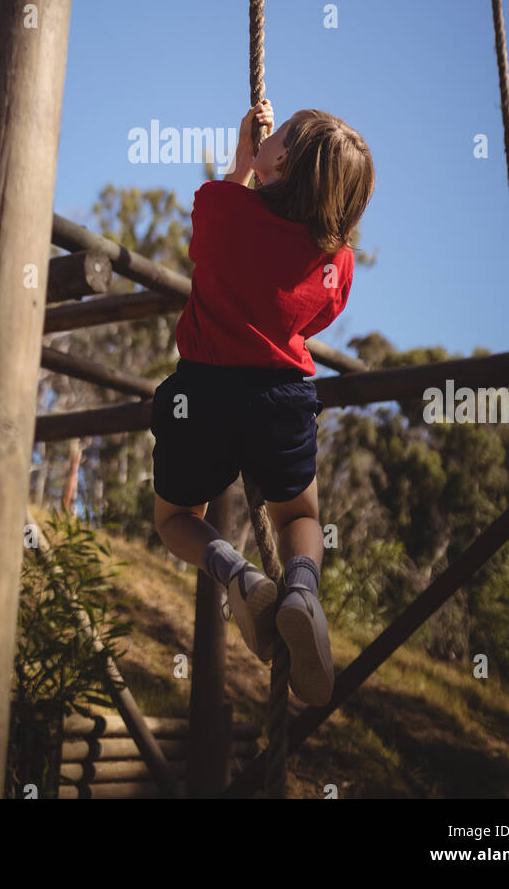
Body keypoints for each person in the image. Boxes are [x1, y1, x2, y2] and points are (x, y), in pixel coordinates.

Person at [151, 99, 375, 704]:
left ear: (282, 163)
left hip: (201, 393)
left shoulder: (221, 207)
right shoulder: (339, 263)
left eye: (286, 137)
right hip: (282, 397)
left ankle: (237, 573)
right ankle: (301, 590)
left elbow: (220, 207)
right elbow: (319, 317)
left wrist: (243, 161)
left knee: (175, 519)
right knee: (299, 518)